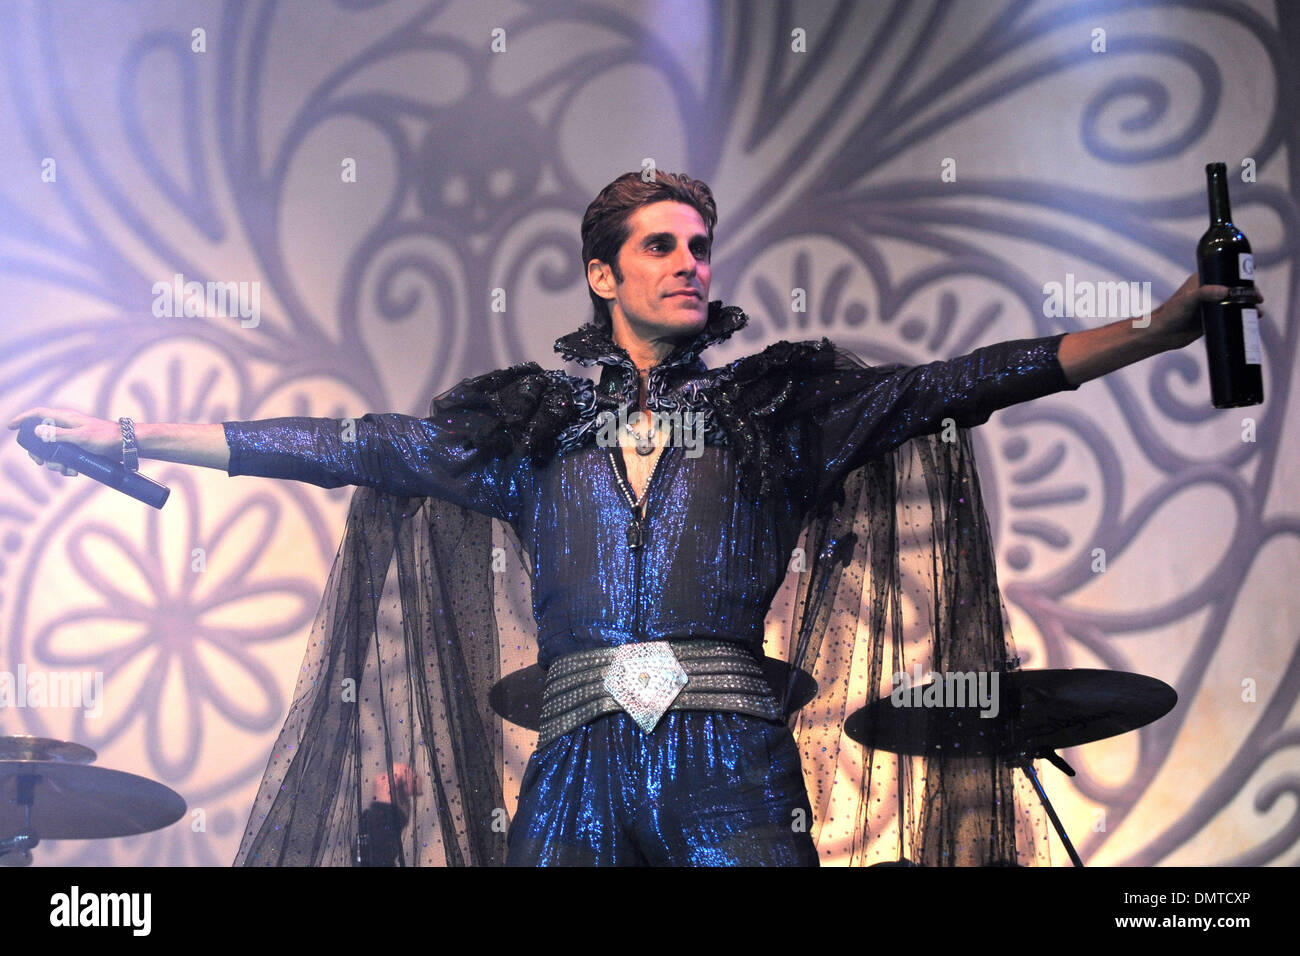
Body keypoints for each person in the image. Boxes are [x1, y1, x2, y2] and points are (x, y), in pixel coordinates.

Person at [7, 171, 1259, 867]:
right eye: (660, 245)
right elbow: (337, 446)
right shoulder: (524, 433)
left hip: (726, 761)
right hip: (573, 768)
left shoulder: (780, 411)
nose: (690, 263)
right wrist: (125, 435)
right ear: (603, 275)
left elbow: (959, 380)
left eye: (701, 245)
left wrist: (1151, 328)